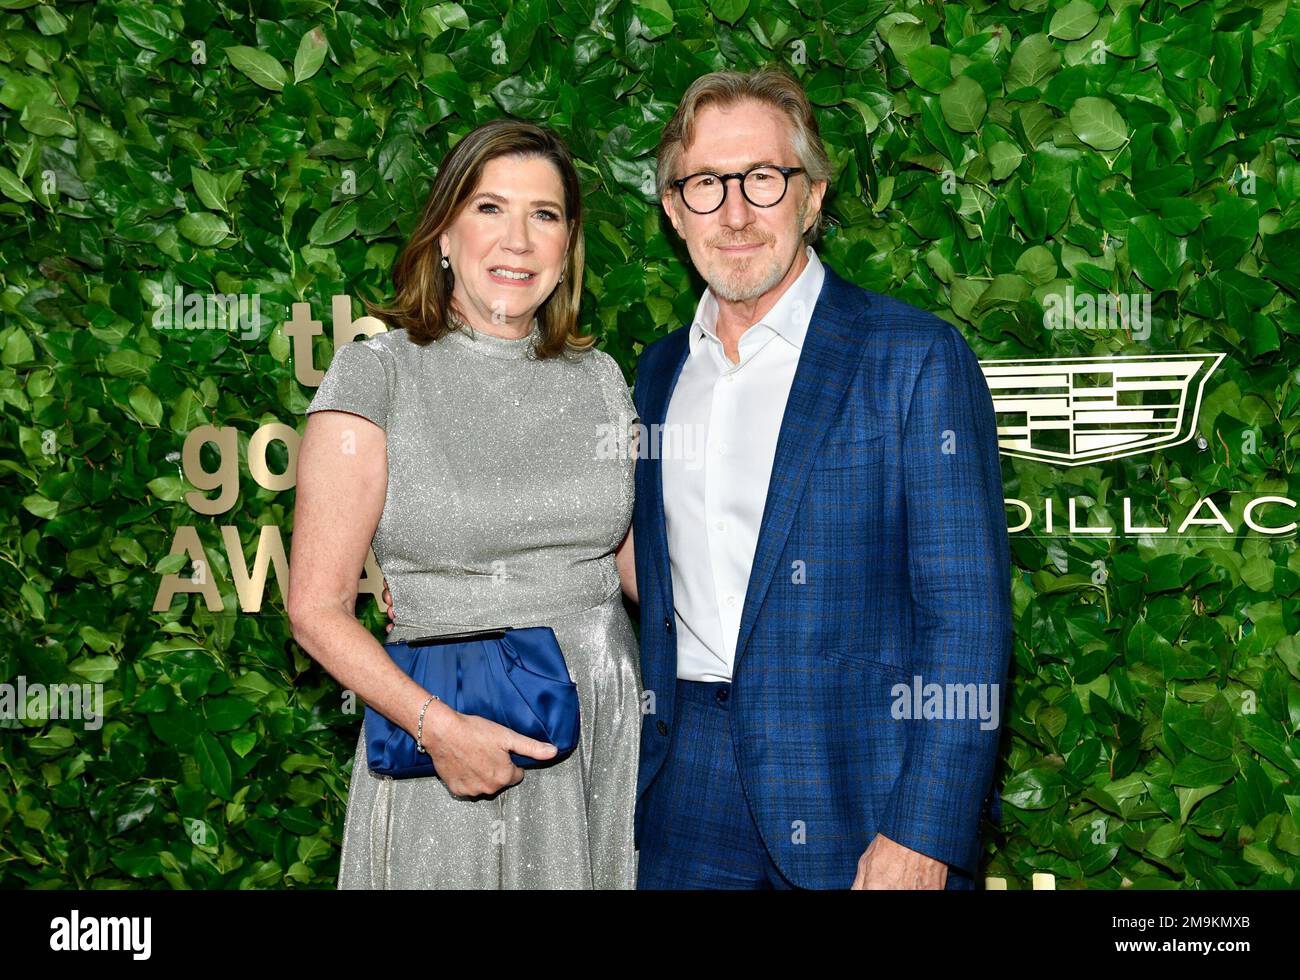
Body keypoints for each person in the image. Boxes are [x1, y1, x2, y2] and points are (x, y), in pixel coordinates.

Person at [627, 67, 1013, 889]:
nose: (733, 213)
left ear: (812, 197)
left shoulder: (912, 359)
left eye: (762, 179)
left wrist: (925, 831)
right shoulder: (656, 377)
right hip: (682, 801)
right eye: (704, 185)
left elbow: (967, 619)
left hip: (863, 794)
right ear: (672, 210)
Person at [288, 117, 642, 889]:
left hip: (602, 735)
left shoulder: (602, 381)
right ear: (444, 232)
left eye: (543, 216)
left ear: (566, 245)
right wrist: (436, 730)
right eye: (489, 208)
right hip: (455, 732)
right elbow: (314, 608)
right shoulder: (375, 374)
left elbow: (645, 575)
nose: (517, 240)